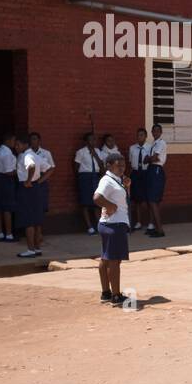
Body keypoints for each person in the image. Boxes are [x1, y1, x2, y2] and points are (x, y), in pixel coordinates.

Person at [93, 152, 131, 305]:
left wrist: (126, 187)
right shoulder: (107, 180)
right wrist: (110, 206)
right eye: (118, 165)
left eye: (123, 165)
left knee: (106, 258)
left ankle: (106, 293)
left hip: (112, 224)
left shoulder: (116, 180)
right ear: (109, 166)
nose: (122, 168)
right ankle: (116, 295)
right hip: (113, 225)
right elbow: (97, 197)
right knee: (114, 261)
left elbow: (120, 199)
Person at [15, 132, 45, 258]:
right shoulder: (35, 155)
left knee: (28, 220)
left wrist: (28, 180)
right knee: (36, 219)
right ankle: (37, 248)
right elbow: (50, 168)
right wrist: (39, 181)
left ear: (25, 145)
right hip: (36, 187)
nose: (16, 147)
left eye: (18, 145)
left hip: (27, 188)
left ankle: (30, 249)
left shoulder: (26, 156)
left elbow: (31, 166)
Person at [74, 132, 104, 235]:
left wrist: (95, 155)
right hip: (85, 177)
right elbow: (76, 166)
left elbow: (101, 165)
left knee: (96, 202)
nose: (93, 142)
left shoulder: (98, 151)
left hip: (95, 176)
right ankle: (89, 226)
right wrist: (81, 177)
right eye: (91, 140)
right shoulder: (81, 152)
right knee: (85, 202)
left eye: (94, 139)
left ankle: (99, 224)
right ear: (86, 141)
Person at [0, 133, 18, 242]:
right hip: (6, 180)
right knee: (7, 208)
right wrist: (19, 171)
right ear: (8, 140)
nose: (15, 143)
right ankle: (9, 234)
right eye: (13, 140)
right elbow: (8, 172)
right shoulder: (8, 154)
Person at [144, 123, 168, 237]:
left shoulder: (161, 143)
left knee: (153, 200)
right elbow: (146, 160)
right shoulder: (152, 144)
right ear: (152, 132)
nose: (155, 132)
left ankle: (160, 229)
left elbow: (154, 158)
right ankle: (152, 226)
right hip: (151, 169)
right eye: (154, 131)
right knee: (151, 200)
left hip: (157, 170)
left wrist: (151, 159)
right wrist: (151, 159)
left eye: (158, 130)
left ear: (161, 132)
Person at [128, 128, 150, 231]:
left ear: (146, 136)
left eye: (142, 135)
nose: (139, 137)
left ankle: (150, 222)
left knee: (148, 198)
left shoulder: (150, 147)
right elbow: (130, 162)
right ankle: (138, 222)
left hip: (146, 173)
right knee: (137, 199)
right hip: (136, 173)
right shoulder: (132, 148)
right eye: (138, 135)